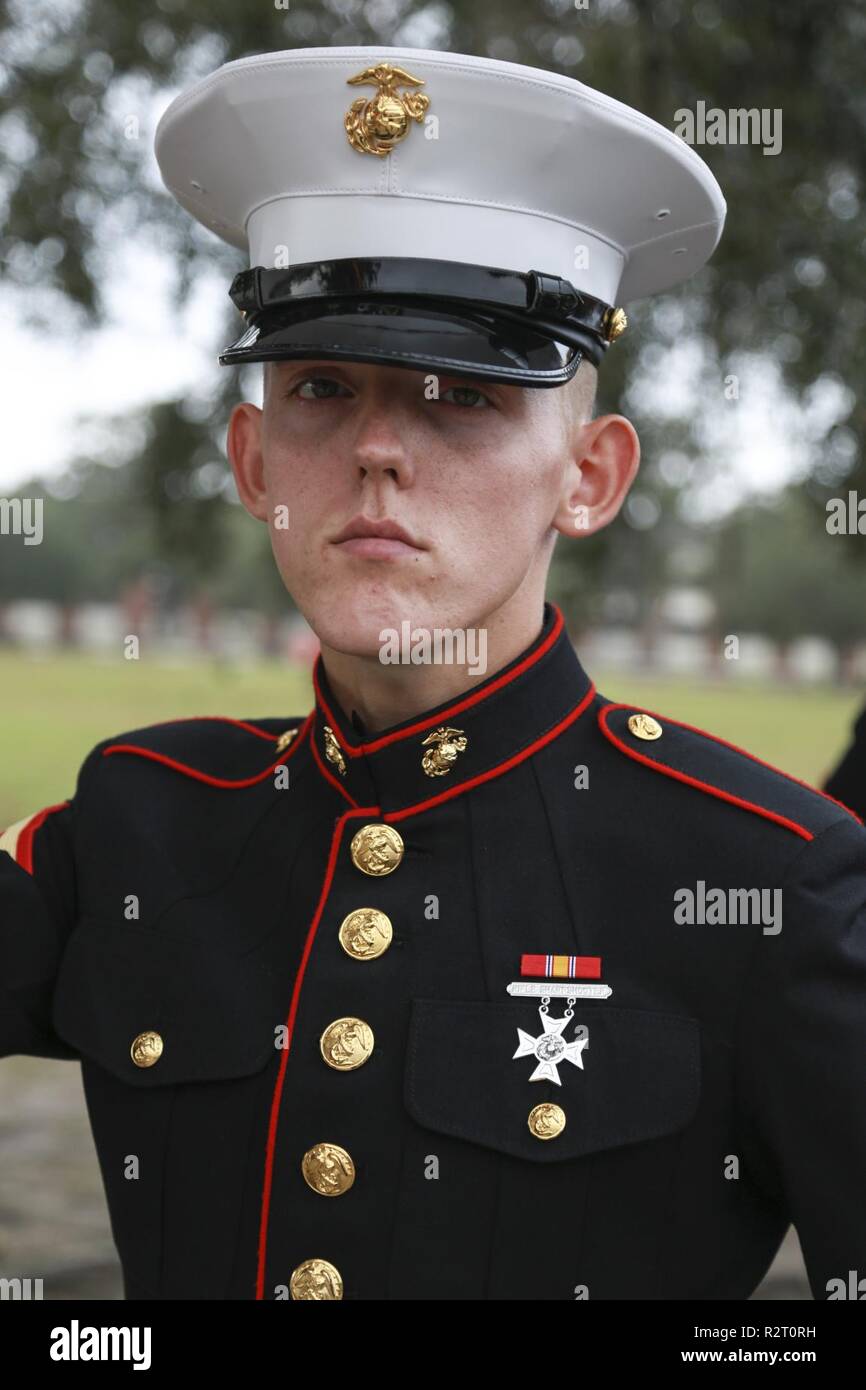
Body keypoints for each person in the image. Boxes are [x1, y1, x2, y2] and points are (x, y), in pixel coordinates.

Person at [2, 44, 865, 1303]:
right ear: (252, 462)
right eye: (319, 386)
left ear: (590, 477)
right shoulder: (141, 821)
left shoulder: (768, 879)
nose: (374, 450)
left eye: (464, 394)